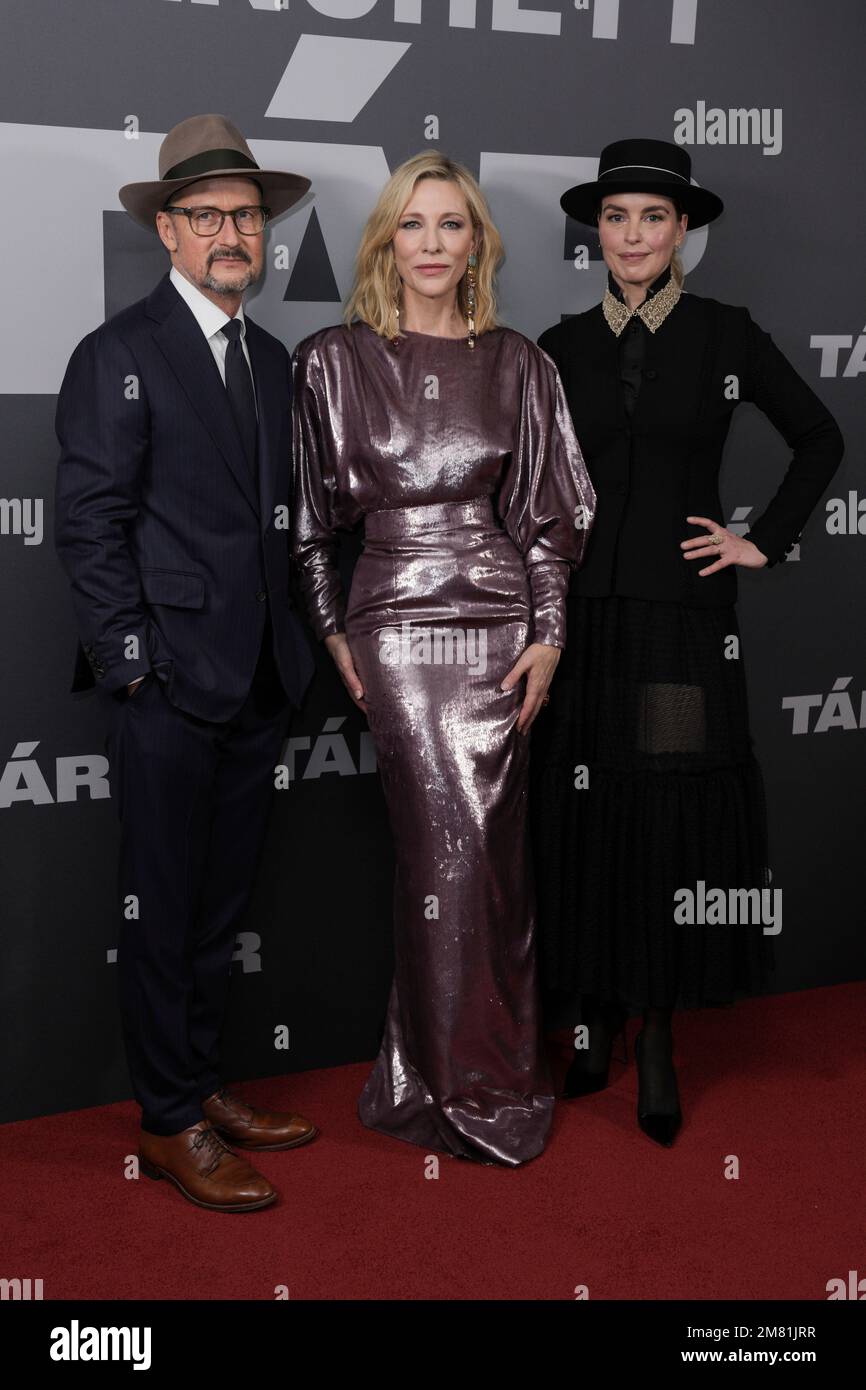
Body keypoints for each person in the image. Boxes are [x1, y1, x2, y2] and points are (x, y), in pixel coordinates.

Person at [530, 138, 845, 1145]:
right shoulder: (558, 346)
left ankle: (657, 1033)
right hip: (582, 624)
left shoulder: (725, 334)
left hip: (680, 629)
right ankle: (592, 1019)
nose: (632, 235)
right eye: (616, 216)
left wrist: (763, 540)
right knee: (585, 818)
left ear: (680, 232)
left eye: (652, 218)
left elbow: (820, 436)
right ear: (597, 230)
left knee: (664, 819)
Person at [290, 151, 596, 1166]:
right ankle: (445, 1079)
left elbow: (550, 520)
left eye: (451, 225)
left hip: (500, 623)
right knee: (438, 857)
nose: (431, 243)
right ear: (387, 240)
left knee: (494, 859)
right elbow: (309, 526)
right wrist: (332, 629)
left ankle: (492, 1069)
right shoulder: (333, 362)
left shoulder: (519, 364)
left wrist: (548, 634)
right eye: (412, 224)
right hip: (395, 630)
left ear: (477, 245)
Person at [55, 114, 320, 1212]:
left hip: (258, 679)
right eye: (205, 216)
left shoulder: (273, 360)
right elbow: (90, 525)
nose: (230, 234)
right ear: (166, 231)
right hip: (165, 684)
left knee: (218, 908)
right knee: (159, 913)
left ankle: (201, 1085)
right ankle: (167, 1122)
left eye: (245, 216)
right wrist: (132, 667)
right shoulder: (118, 354)